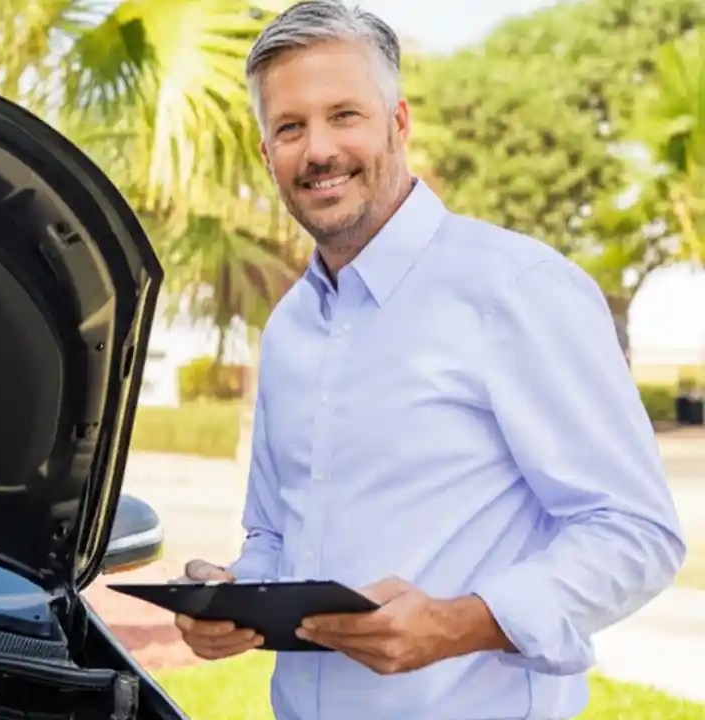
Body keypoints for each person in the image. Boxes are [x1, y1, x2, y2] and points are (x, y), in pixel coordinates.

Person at [171, 1, 686, 718]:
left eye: (344, 114)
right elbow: (276, 534)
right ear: (267, 154)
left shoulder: (514, 289)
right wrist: (231, 595)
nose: (317, 149)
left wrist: (458, 624)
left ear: (398, 123)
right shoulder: (290, 326)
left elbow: (636, 534)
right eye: (290, 127)